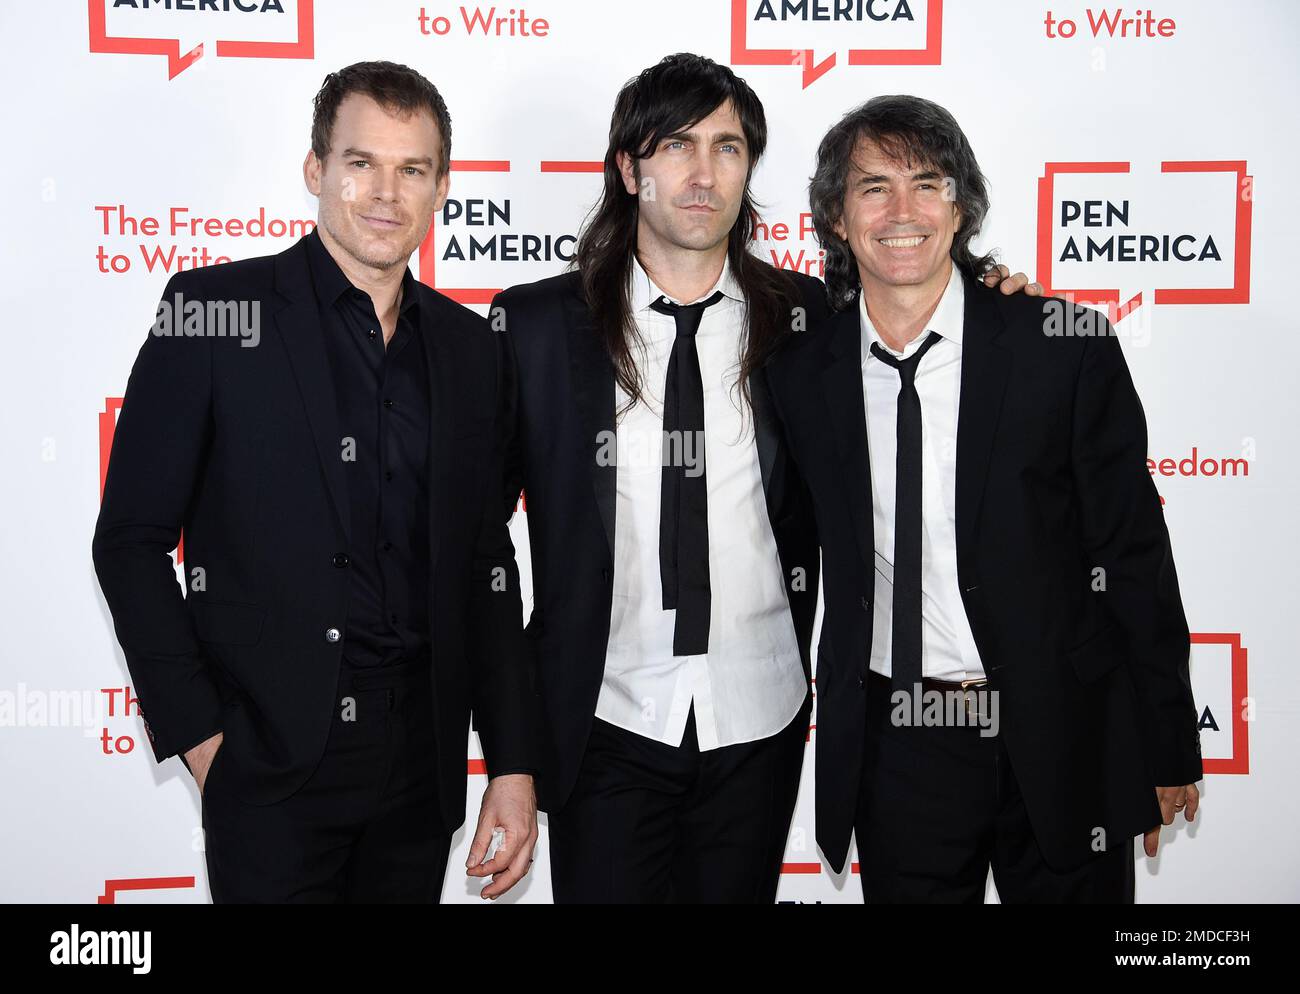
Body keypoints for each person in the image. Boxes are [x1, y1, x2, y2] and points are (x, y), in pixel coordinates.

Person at [491, 56, 1034, 902]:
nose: (703, 174)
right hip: (601, 721)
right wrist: (510, 753)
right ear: (630, 169)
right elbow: (478, 546)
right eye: (676, 146)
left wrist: (999, 302)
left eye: (728, 148)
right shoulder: (533, 326)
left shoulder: (807, 322)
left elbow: (926, 313)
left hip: (761, 717)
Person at [92, 61, 538, 903]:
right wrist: (205, 744)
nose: (386, 194)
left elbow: (486, 562)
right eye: (361, 163)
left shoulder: (472, 349)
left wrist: (512, 763)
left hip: (420, 769)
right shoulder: (213, 313)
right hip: (269, 765)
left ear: (442, 187)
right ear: (316, 169)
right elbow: (129, 542)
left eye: (412, 170)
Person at [767, 94, 1201, 903]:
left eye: (928, 184)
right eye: (873, 188)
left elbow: (1133, 553)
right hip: (900, 745)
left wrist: (1168, 736)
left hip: (1062, 725)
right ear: (835, 218)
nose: (903, 212)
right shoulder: (800, 372)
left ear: (961, 207)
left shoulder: (1060, 347)